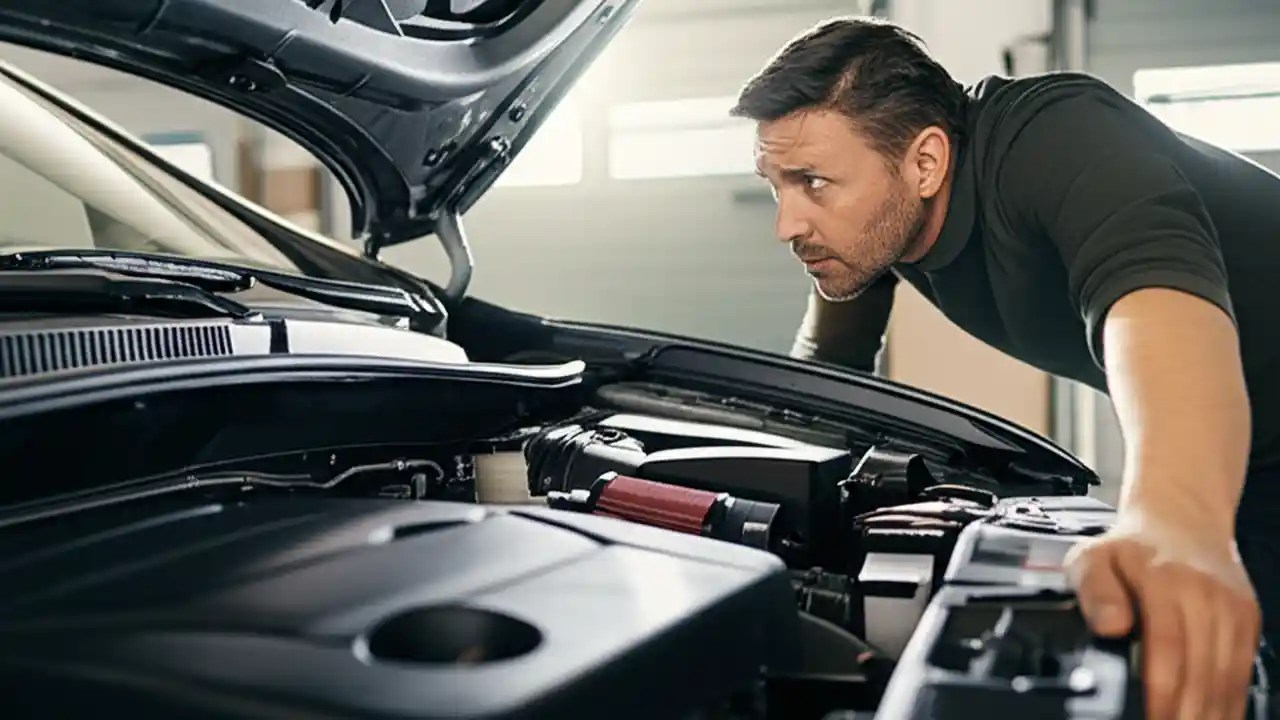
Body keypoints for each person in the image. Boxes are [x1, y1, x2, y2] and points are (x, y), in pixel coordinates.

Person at [732, 15, 1279, 720]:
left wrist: (1174, 524)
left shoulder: (1058, 135)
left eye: (812, 181)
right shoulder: (870, 231)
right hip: (1247, 446)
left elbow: (1155, 303)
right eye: (777, 185)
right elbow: (826, 377)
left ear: (925, 162)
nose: (787, 224)